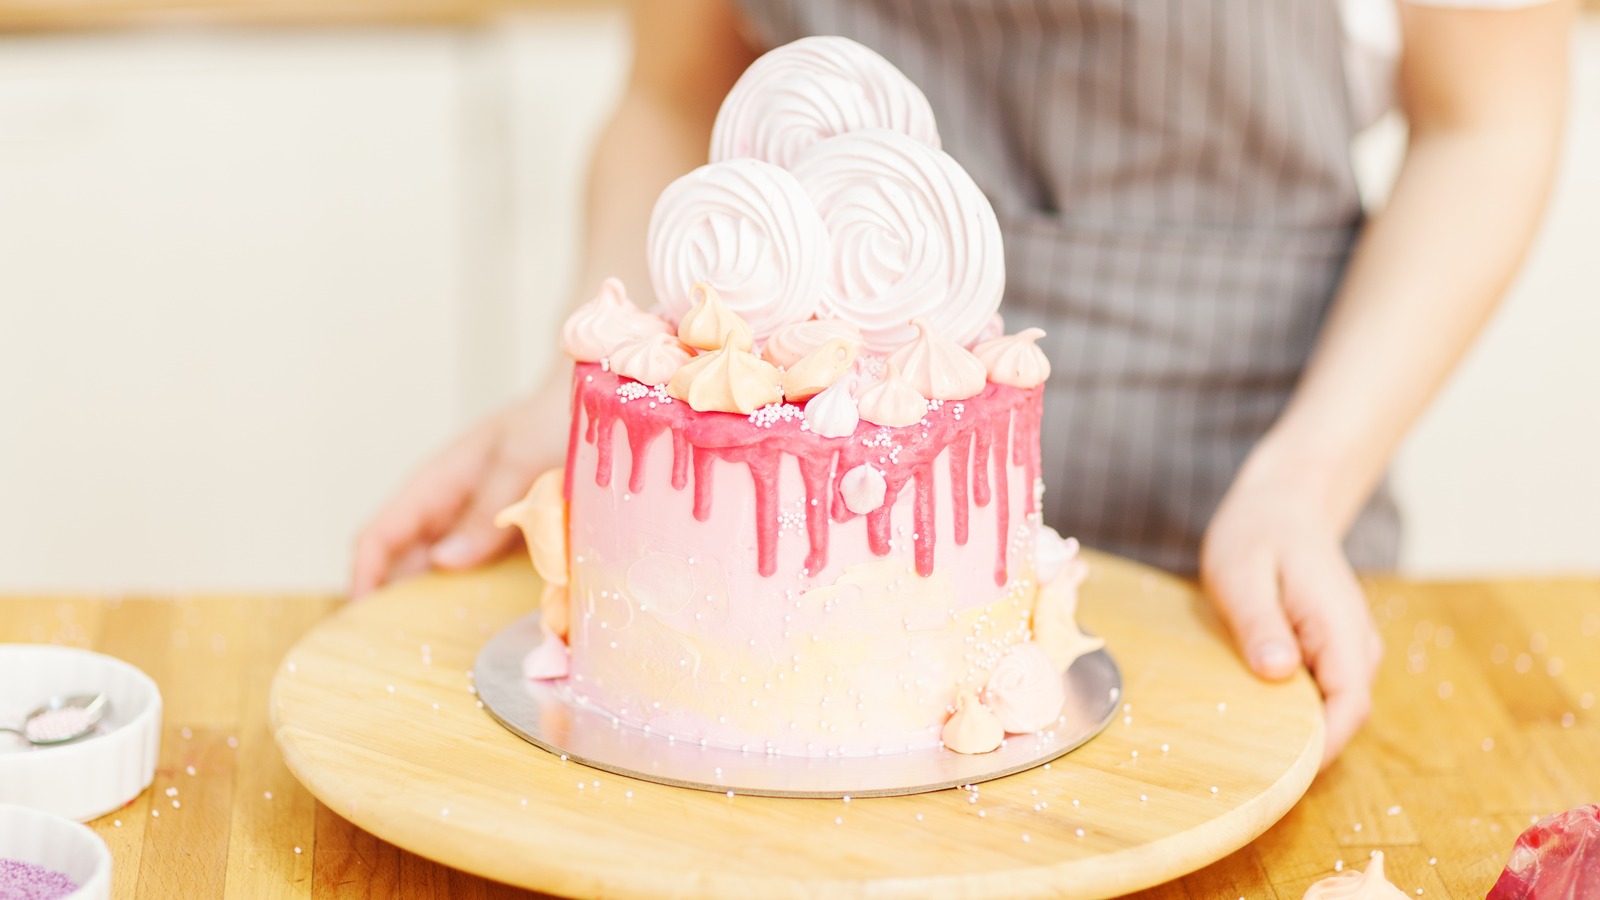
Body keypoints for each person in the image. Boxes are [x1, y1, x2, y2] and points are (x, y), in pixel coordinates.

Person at [351, 0, 1574, 768]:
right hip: (786, 564)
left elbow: (1492, 117)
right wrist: (586, 385)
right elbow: (677, 90)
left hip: (1244, 523)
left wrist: (1308, 480)